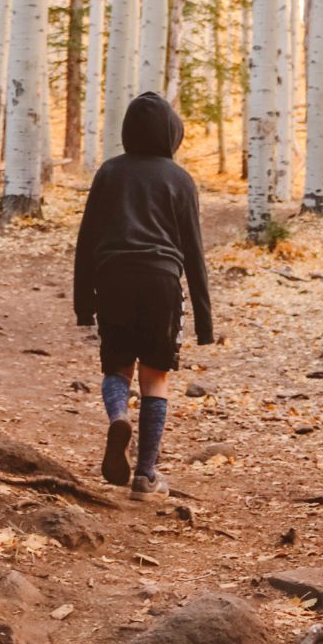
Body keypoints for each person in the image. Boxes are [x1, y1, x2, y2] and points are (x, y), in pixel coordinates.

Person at [73, 90, 213, 496]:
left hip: (112, 276)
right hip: (161, 280)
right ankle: (145, 475)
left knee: (117, 367)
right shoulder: (180, 180)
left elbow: (87, 240)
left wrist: (84, 305)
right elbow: (194, 251)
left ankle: (119, 415)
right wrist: (204, 322)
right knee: (155, 377)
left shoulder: (109, 172)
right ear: (172, 133)